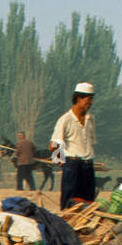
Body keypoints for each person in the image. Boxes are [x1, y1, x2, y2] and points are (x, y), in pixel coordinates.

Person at [51, 82, 97, 210]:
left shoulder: (90, 119)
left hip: (88, 165)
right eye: (89, 99)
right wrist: (61, 162)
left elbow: (90, 142)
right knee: (69, 204)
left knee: (88, 204)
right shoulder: (65, 119)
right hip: (73, 165)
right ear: (79, 98)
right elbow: (54, 145)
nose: (91, 103)